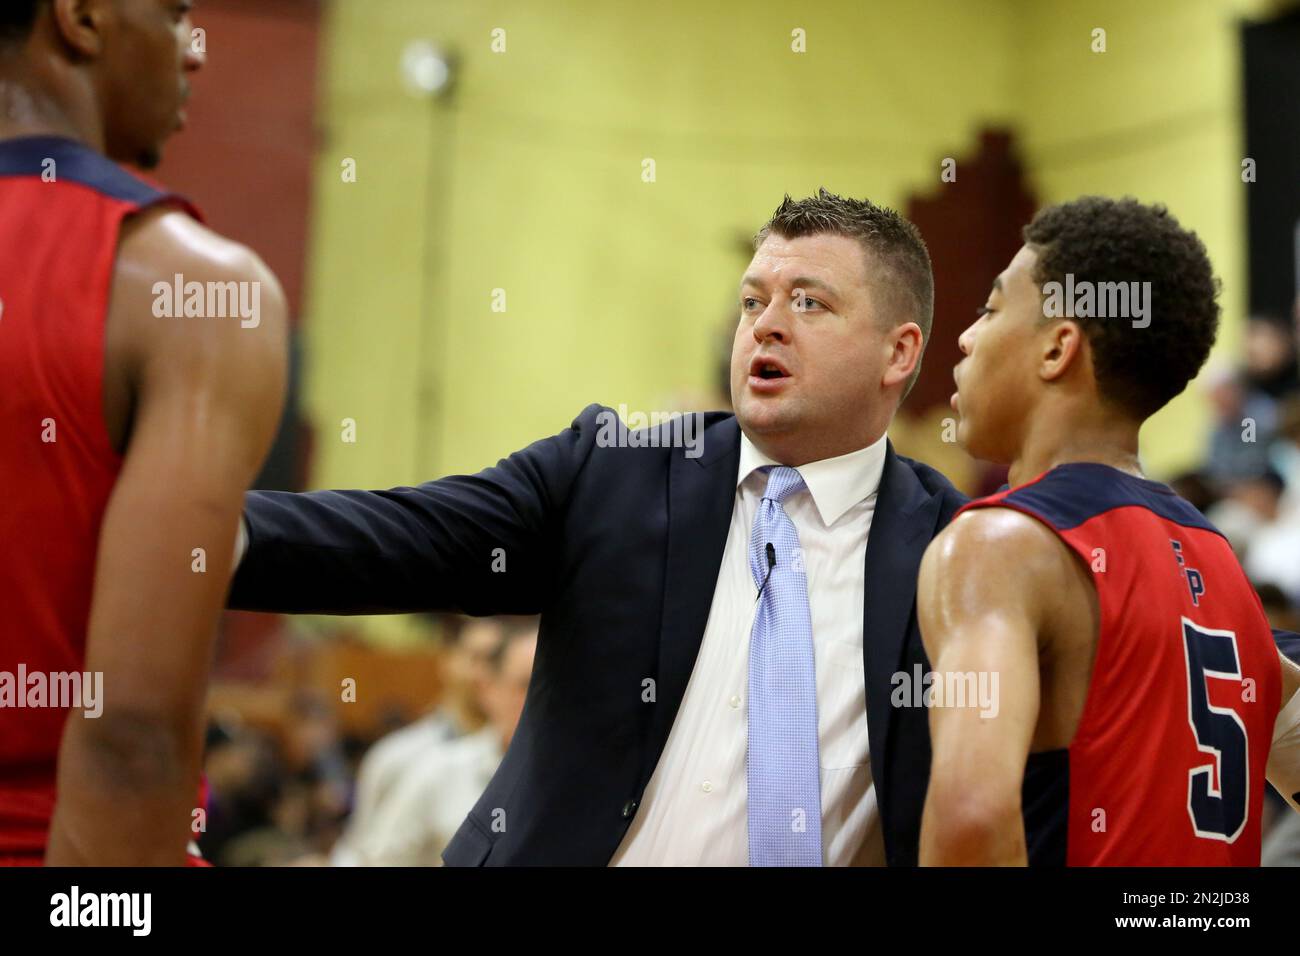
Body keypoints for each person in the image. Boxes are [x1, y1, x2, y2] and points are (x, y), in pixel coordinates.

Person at [229, 188, 967, 866]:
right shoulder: (613, 473)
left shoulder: (952, 551)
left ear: (897, 352)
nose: (765, 325)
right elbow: (409, 536)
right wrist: (203, 536)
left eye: (808, 303)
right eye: (752, 301)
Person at [917, 196, 1300, 865]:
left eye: (991, 308)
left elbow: (972, 819)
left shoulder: (1000, 543)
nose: (966, 337)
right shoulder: (1225, 567)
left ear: (1057, 348)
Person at [0, 0, 287, 865]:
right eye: (172, 13)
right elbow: (132, 734)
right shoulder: (188, 290)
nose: (194, 52)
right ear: (81, 18)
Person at [335, 621, 538, 866]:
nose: (476, 672)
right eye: (525, 685)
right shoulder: (414, 762)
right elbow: (365, 854)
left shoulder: (576, 779)